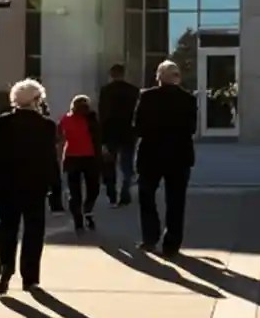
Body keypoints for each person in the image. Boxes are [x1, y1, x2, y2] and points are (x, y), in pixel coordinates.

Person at [0, 79, 60, 294]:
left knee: (7, 226)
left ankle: (6, 267)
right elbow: (50, 160)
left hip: (5, 184)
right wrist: (55, 187)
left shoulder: (3, 122)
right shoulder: (46, 125)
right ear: (35, 100)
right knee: (34, 229)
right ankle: (29, 277)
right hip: (35, 185)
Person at [133, 60, 198, 257]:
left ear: (159, 76)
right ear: (177, 77)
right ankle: (172, 244)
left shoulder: (147, 96)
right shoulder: (188, 99)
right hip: (179, 156)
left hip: (151, 155)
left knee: (146, 196)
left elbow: (138, 127)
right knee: (176, 202)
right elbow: (192, 128)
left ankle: (150, 237)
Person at [58, 95, 103, 232]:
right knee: (90, 188)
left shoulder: (89, 119)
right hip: (84, 158)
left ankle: (82, 214)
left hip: (77, 157)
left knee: (78, 190)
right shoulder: (69, 119)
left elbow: (60, 139)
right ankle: (84, 212)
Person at [98, 64, 140, 207]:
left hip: (111, 132)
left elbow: (103, 114)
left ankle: (112, 195)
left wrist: (101, 137)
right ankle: (125, 191)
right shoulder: (133, 91)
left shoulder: (106, 91)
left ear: (111, 75)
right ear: (123, 74)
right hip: (128, 131)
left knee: (109, 164)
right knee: (127, 163)